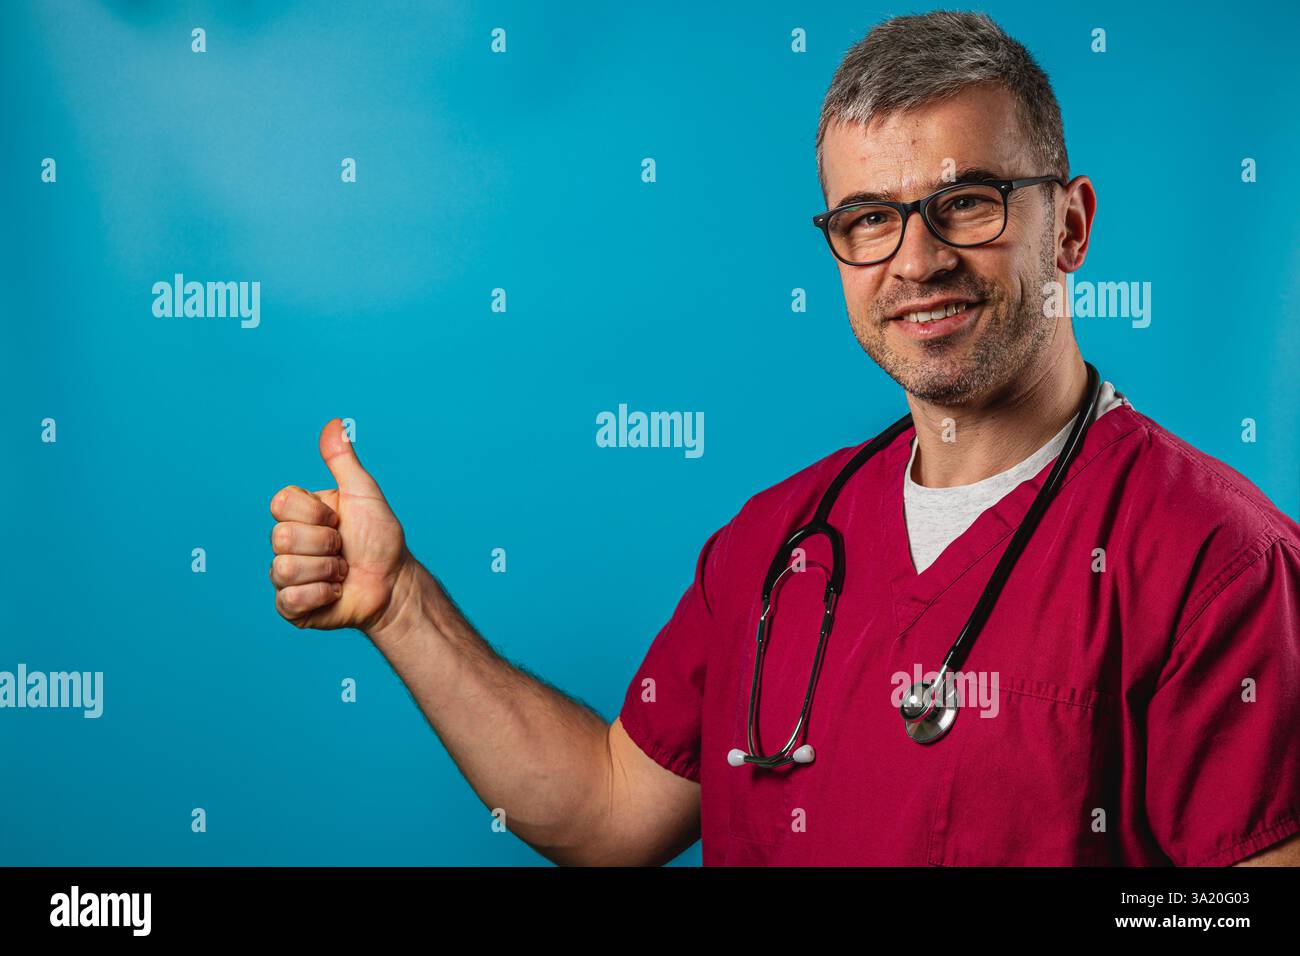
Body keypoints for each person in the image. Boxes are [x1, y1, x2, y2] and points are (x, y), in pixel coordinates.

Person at [267, 11, 1300, 866]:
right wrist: (403, 605)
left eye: (966, 204)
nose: (917, 259)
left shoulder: (1218, 561)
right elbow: (608, 808)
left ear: (1069, 225)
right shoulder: (773, 545)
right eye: (867, 219)